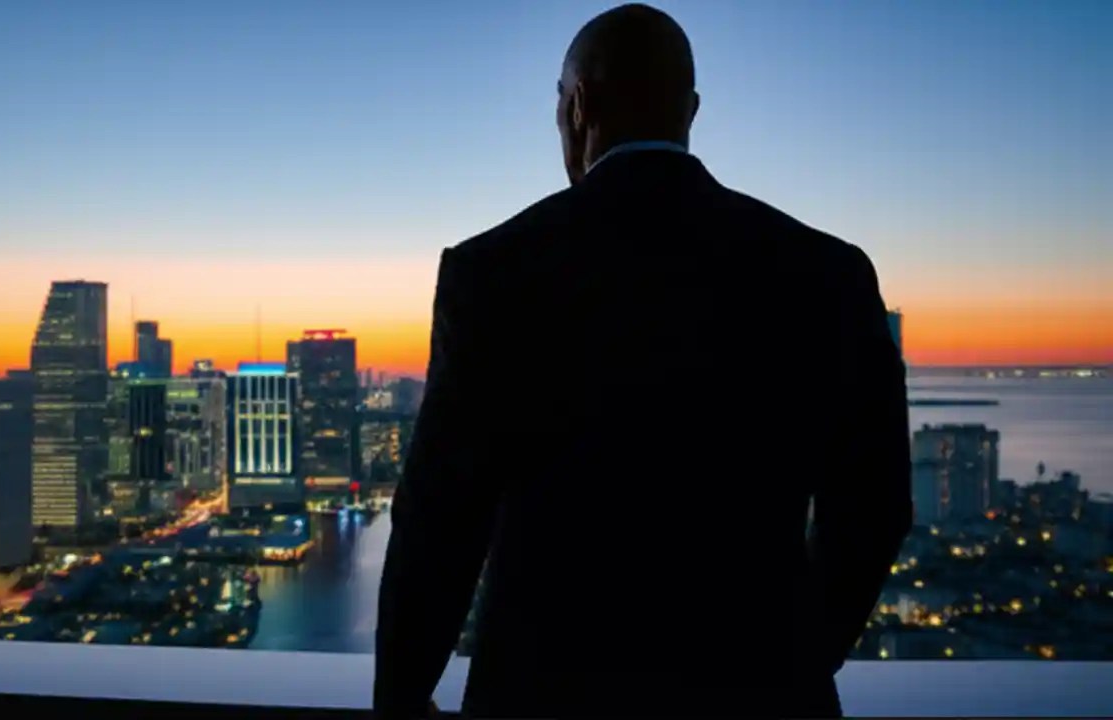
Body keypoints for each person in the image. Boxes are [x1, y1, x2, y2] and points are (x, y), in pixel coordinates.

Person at [374, 4, 912, 718]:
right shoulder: (828, 272)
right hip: (760, 697)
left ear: (577, 105)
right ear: (690, 110)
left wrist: (401, 696)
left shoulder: (497, 270)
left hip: (544, 696)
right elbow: (874, 509)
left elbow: (439, 517)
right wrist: (797, 656)